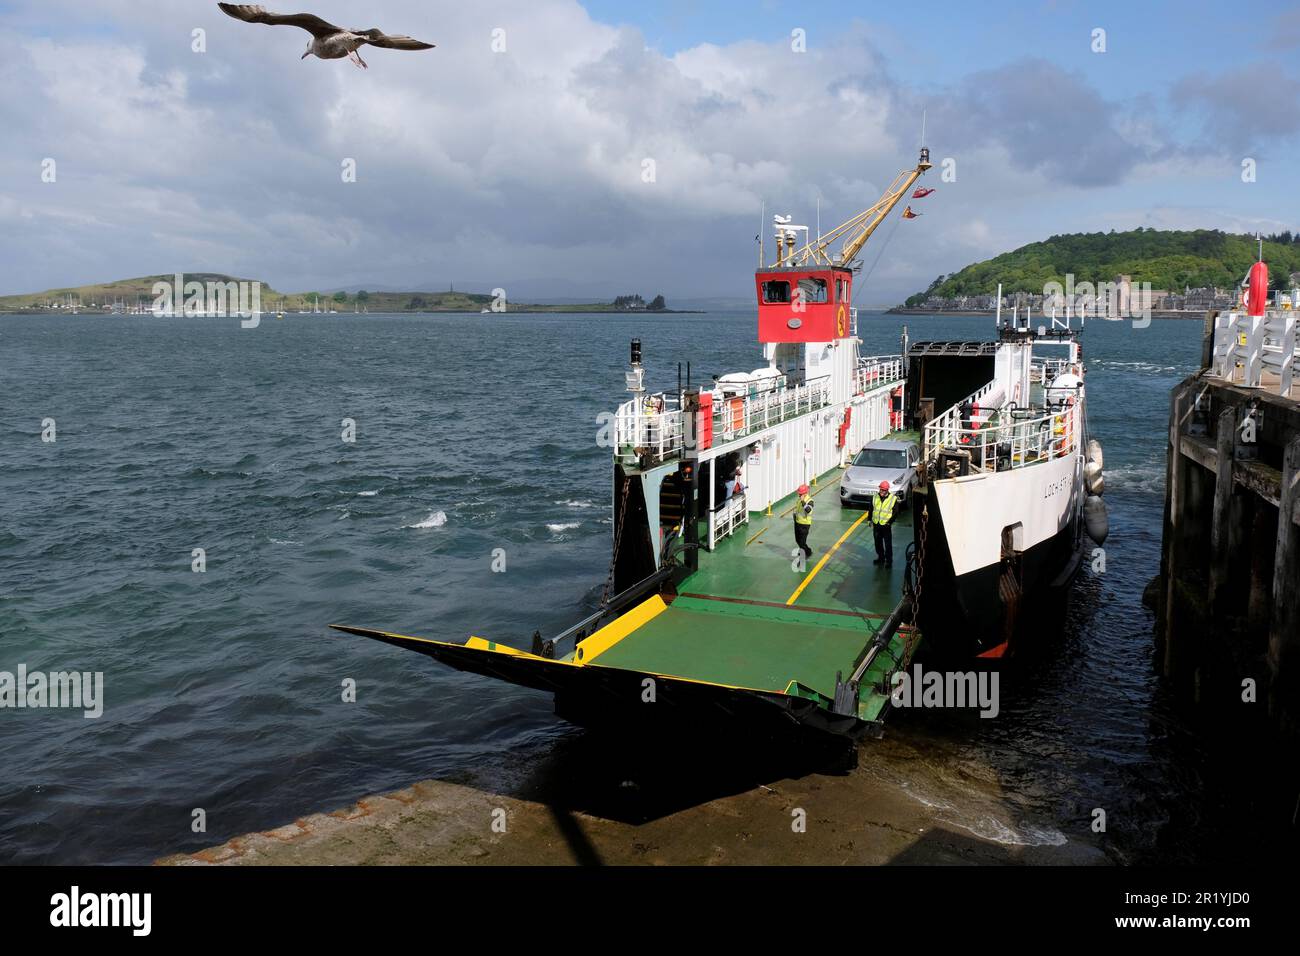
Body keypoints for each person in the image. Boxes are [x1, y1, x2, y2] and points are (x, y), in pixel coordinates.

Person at [871, 480, 898, 567]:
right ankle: (881, 558)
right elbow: (871, 508)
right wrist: (869, 519)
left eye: (884, 490)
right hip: (876, 524)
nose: (882, 491)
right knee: (877, 543)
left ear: (887, 490)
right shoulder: (875, 497)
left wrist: (889, 522)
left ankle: (889, 561)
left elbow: (895, 512)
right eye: (881, 489)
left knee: (887, 544)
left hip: (886, 526)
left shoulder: (893, 499)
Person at [793, 483, 813, 560]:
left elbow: (808, 510)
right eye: (799, 493)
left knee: (802, 541)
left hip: (805, 524)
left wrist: (803, 502)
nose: (799, 495)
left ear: (805, 493)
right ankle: (805, 550)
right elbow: (798, 509)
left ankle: (806, 553)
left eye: (800, 493)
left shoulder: (809, 501)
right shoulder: (799, 499)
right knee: (797, 540)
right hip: (798, 522)